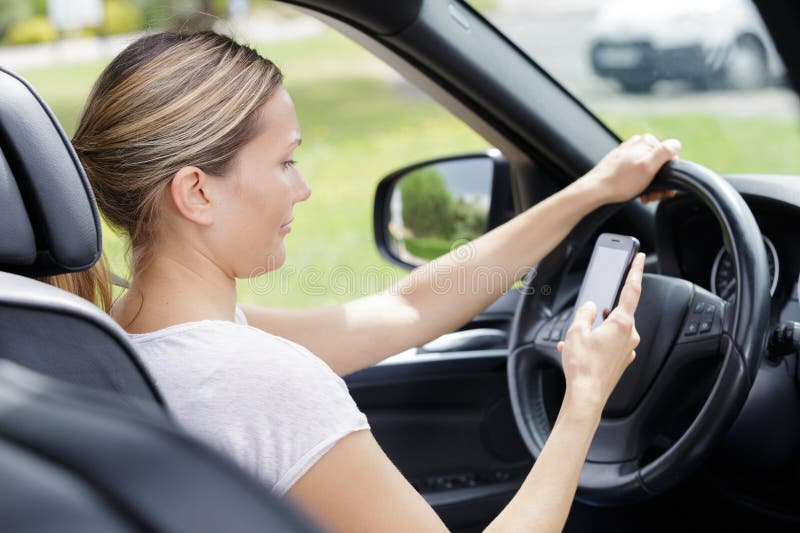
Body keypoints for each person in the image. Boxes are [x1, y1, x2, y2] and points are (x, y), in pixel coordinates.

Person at [66, 31, 680, 532]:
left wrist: (590, 191)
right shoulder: (259, 381)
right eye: (285, 161)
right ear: (197, 192)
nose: (302, 188)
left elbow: (405, 309)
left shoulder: (110, 338)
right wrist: (585, 396)